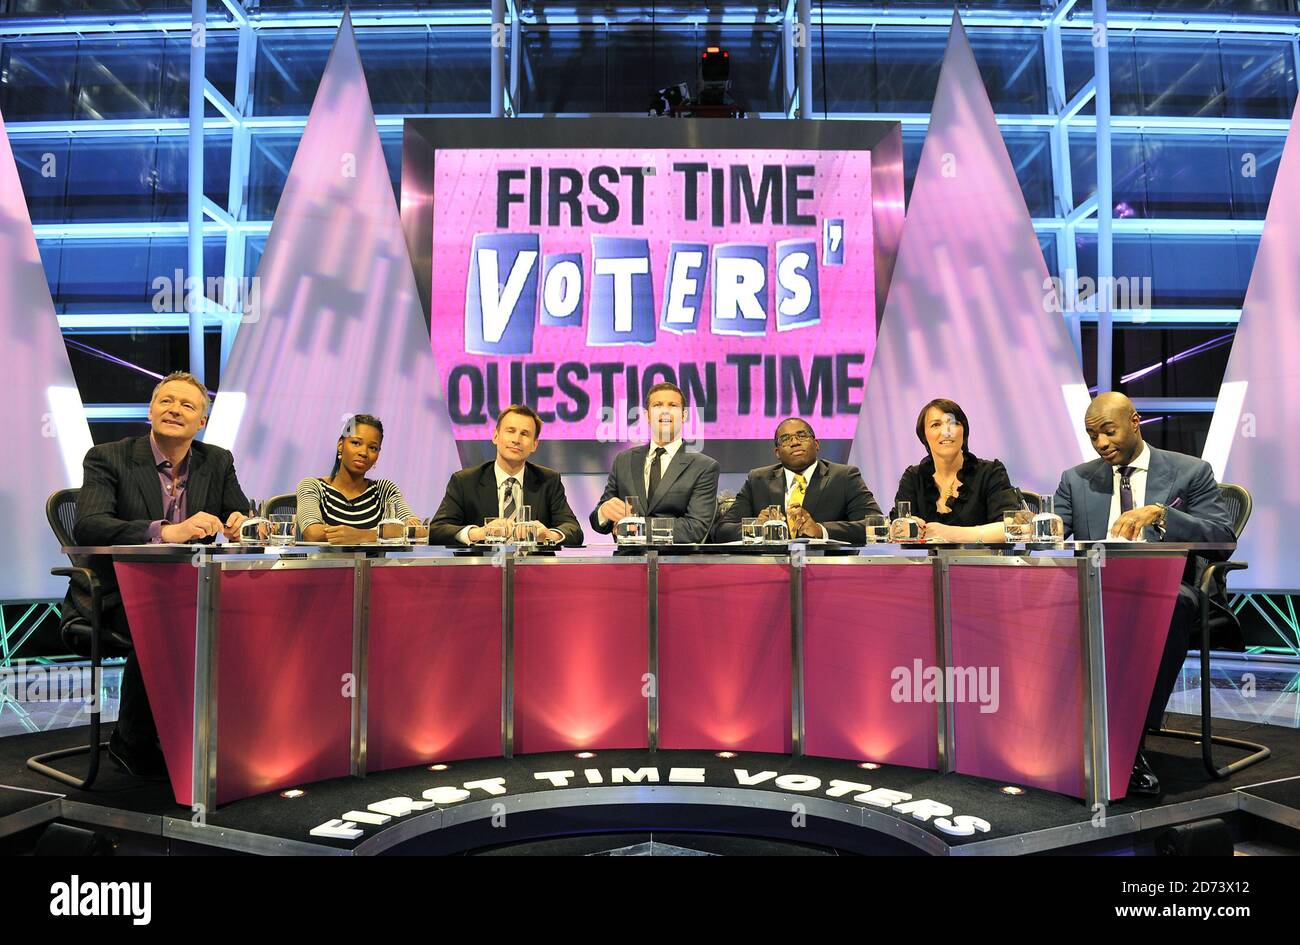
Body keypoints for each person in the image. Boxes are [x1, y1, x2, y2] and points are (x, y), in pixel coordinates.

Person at [1053, 391, 1235, 797]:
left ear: (1135, 421)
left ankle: (1130, 739)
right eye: (1092, 436)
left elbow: (1223, 539)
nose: (1101, 443)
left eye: (1108, 431)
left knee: (1169, 604)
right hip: (1098, 585)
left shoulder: (1190, 472)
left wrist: (1163, 515)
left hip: (1168, 588)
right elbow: (1053, 532)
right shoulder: (1076, 479)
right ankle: (1046, 733)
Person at [69, 371, 250, 778]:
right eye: (166, 401)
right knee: (167, 624)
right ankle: (131, 742)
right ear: (150, 410)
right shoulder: (108, 456)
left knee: (244, 621)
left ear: (201, 421)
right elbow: (90, 525)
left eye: (187, 405)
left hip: (191, 591)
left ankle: (216, 737)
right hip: (115, 592)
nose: (174, 410)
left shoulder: (217, 460)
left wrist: (241, 522)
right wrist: (165, 532)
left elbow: (240, 511)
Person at [429, 404, 582, 546]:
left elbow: (573, 530)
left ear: (535, 445)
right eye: (510, 431)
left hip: (535, 571)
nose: (516, 440)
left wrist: (549, 535)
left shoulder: (548, 481)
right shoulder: (464, 481)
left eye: (525, 434)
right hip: (479, 572)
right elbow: (436, 531)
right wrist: (479, 533)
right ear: (495, 436)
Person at [590, 382, 719, 545]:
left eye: (673, 405)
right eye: (657, 405)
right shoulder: (623, 460)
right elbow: (598, 523)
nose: (665, 410)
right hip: (628, 564)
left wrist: (634, 528)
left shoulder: (704, 467)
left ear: (684, 415)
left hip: (676, 565)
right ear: (647, 415)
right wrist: (604, 512)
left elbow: (695, 529)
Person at [716, 417, 881, 543]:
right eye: (786, 439)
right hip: (768, 569)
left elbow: (876, 526)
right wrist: (755, 527)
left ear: (816, 444)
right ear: (777, 452)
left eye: (802, 436)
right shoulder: (758, 479)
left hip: (826, 569)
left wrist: (820, 530)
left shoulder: (844, 476)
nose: (794, 442)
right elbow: (722, 530)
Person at [890, 399, 1023, 543]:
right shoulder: (914, 478)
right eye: (936, 425)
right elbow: (896, 527)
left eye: (953, 423)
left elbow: (1012, 528)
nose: (946, 432)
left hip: (981, 564)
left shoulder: (990, 473)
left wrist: (949, 534)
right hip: (927, 565)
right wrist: (905, 528)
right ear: (924, 435)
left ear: (964, 431)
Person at [296, 414, 423, 544]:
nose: (364, 453)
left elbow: (418, 531)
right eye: (356, 443)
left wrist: (361, 536)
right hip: (326, 564)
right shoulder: (313, 486)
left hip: (373, 564)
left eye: (373, 448)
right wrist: (386, 533)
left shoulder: (384, 490)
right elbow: (312, 533)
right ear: (341, 445)